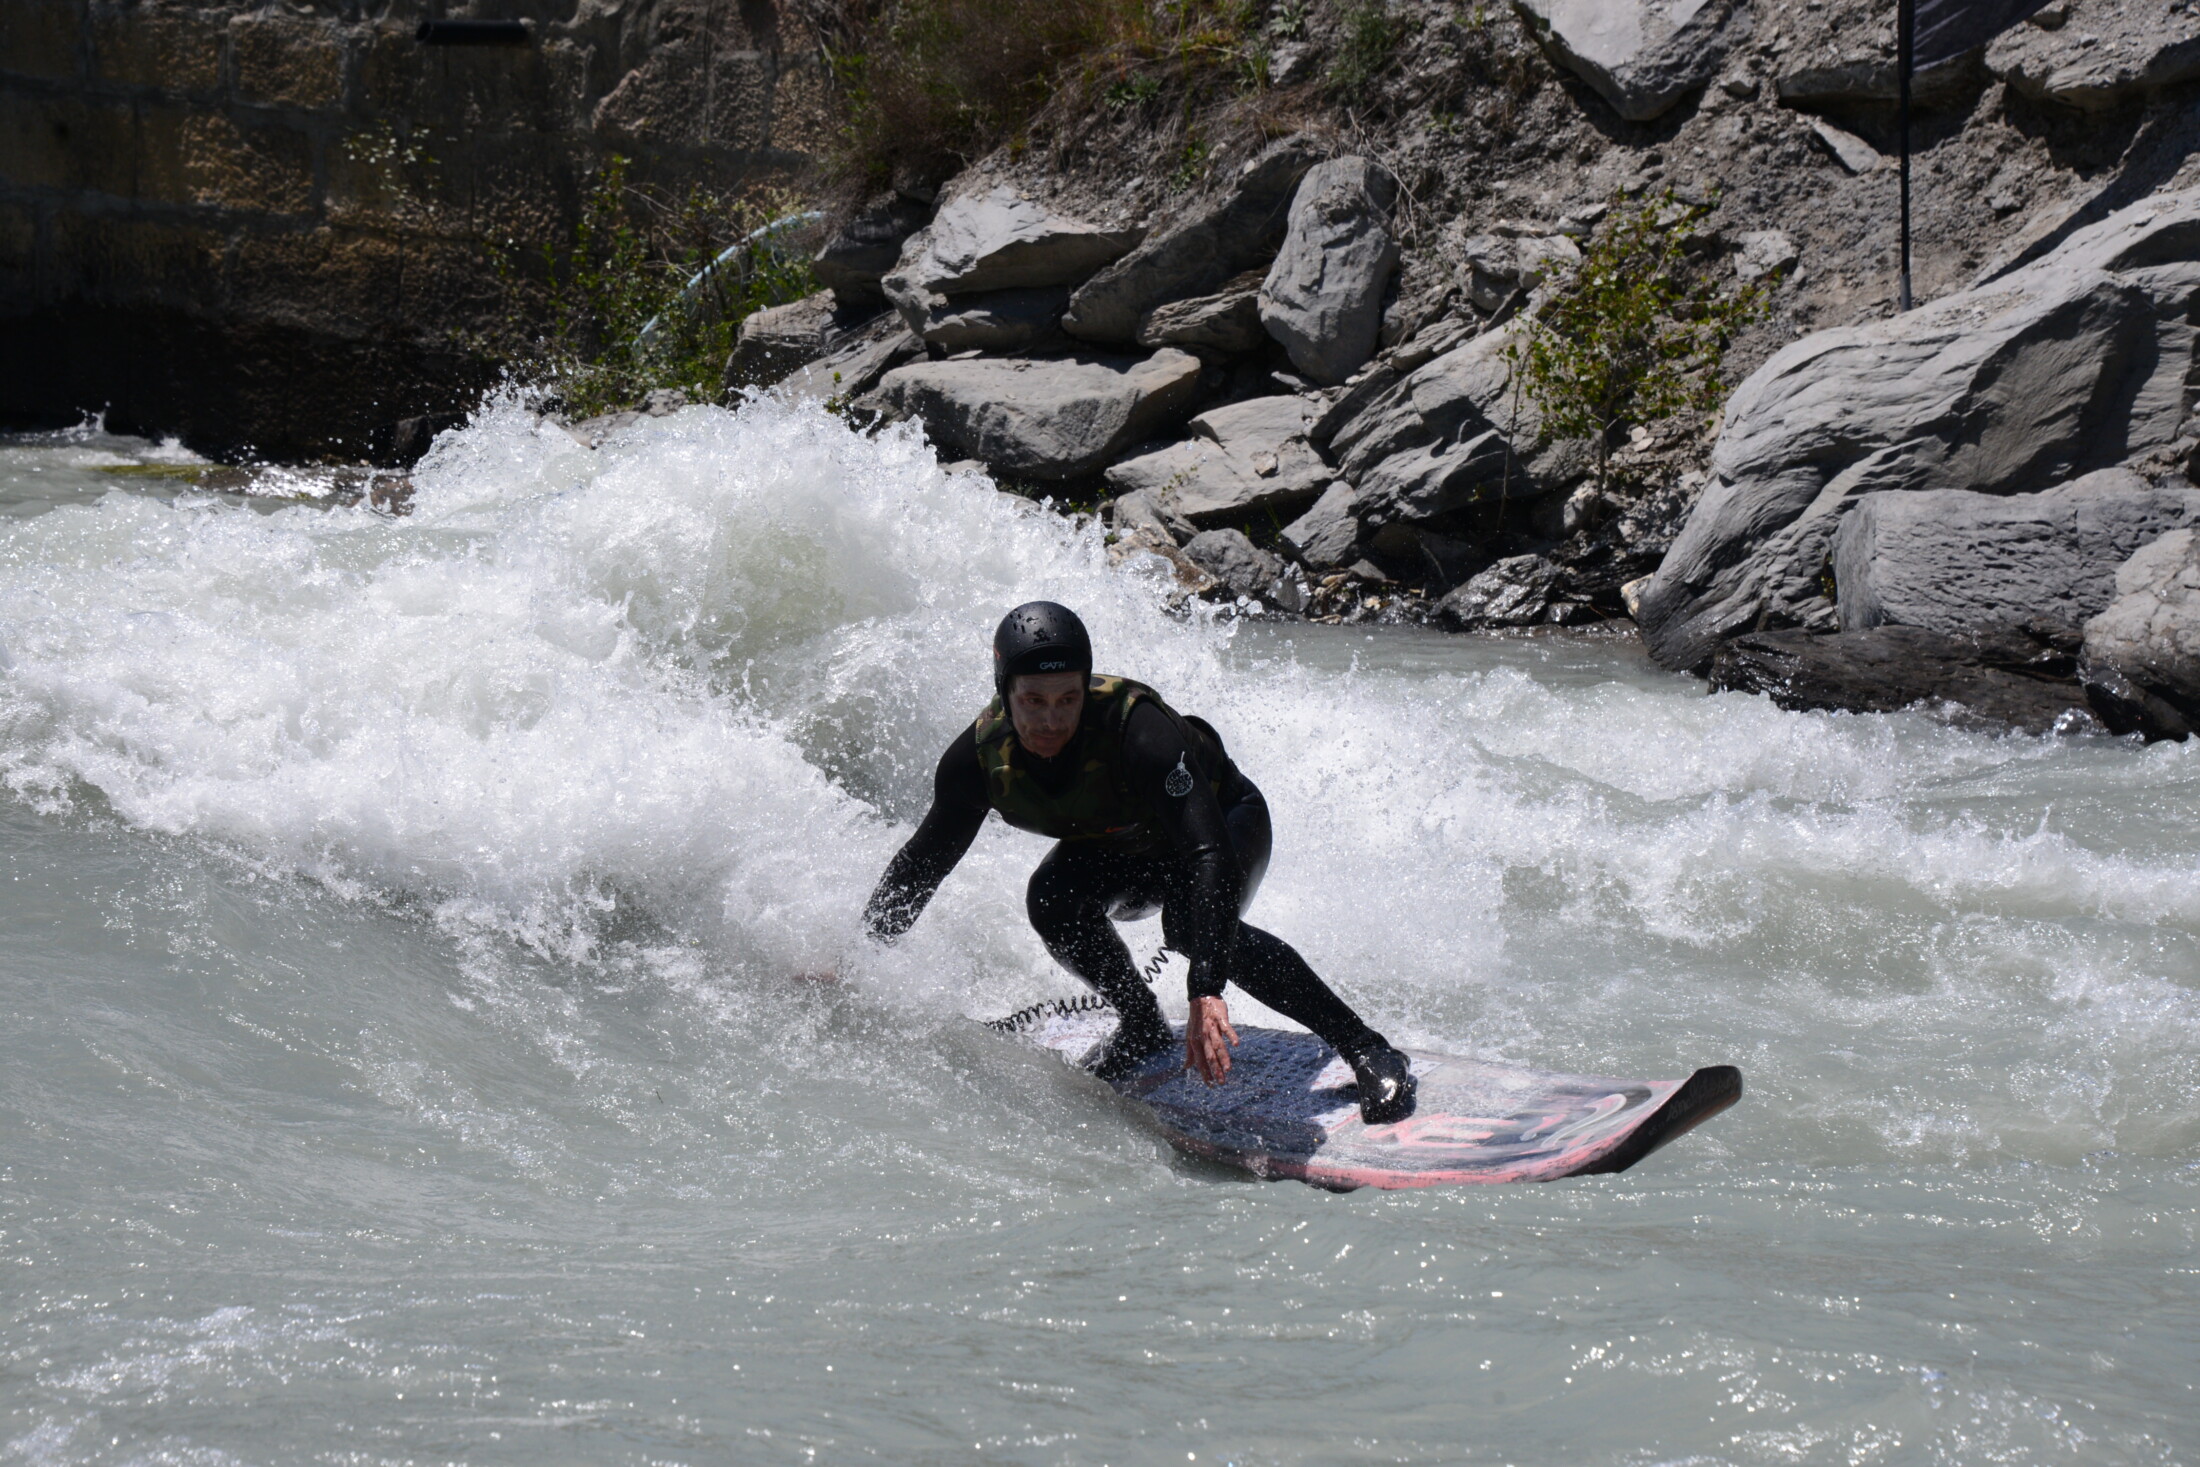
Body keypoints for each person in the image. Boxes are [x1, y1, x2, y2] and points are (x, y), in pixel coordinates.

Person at [861, 601, 1417, 1125]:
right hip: (1123, 846)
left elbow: (1208, 853)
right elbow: (923, 863)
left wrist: (1205, 990)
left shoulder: (1138, 731)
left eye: (1067, 699)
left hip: (1222, 826)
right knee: (1051, 898)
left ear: (1085, 689)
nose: (1051, 721)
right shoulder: (977, 760)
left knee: (1189, 928)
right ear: (1005, 693)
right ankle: (1142, 1023)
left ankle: (1367, 1048)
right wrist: (858, 956)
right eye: (1033, 701)